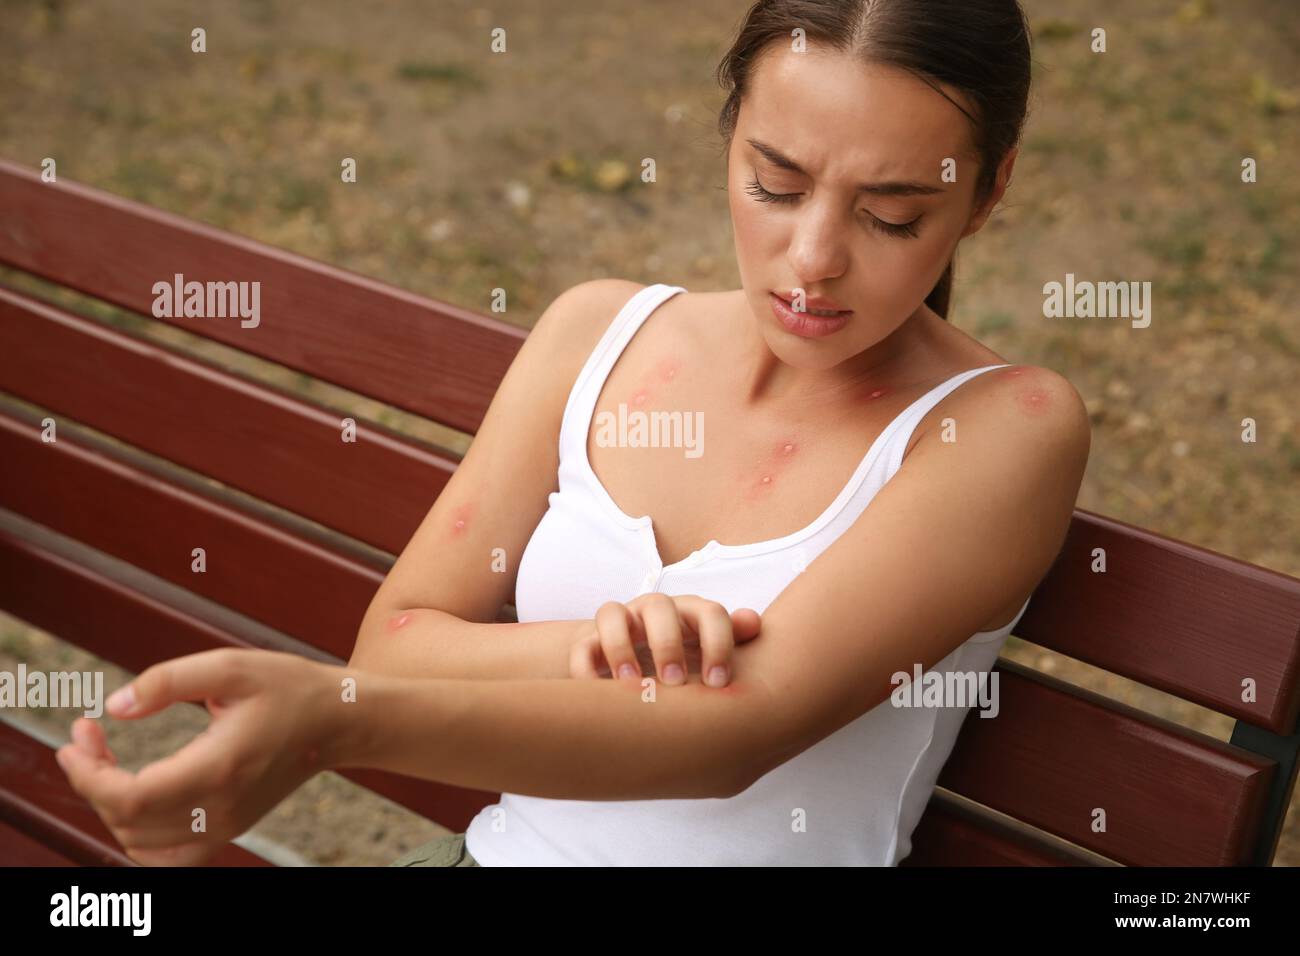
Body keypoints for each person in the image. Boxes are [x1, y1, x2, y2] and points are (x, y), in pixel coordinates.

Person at [56, 0, 1090, 867]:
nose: (812, 256)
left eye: (892, 216)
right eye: (775, 183)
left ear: (985, 191)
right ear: (728, 133)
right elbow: (395, 641)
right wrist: (594, 650)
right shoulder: (599, 331)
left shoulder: (1005, 431)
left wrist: (336, 718)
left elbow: (735, 732)